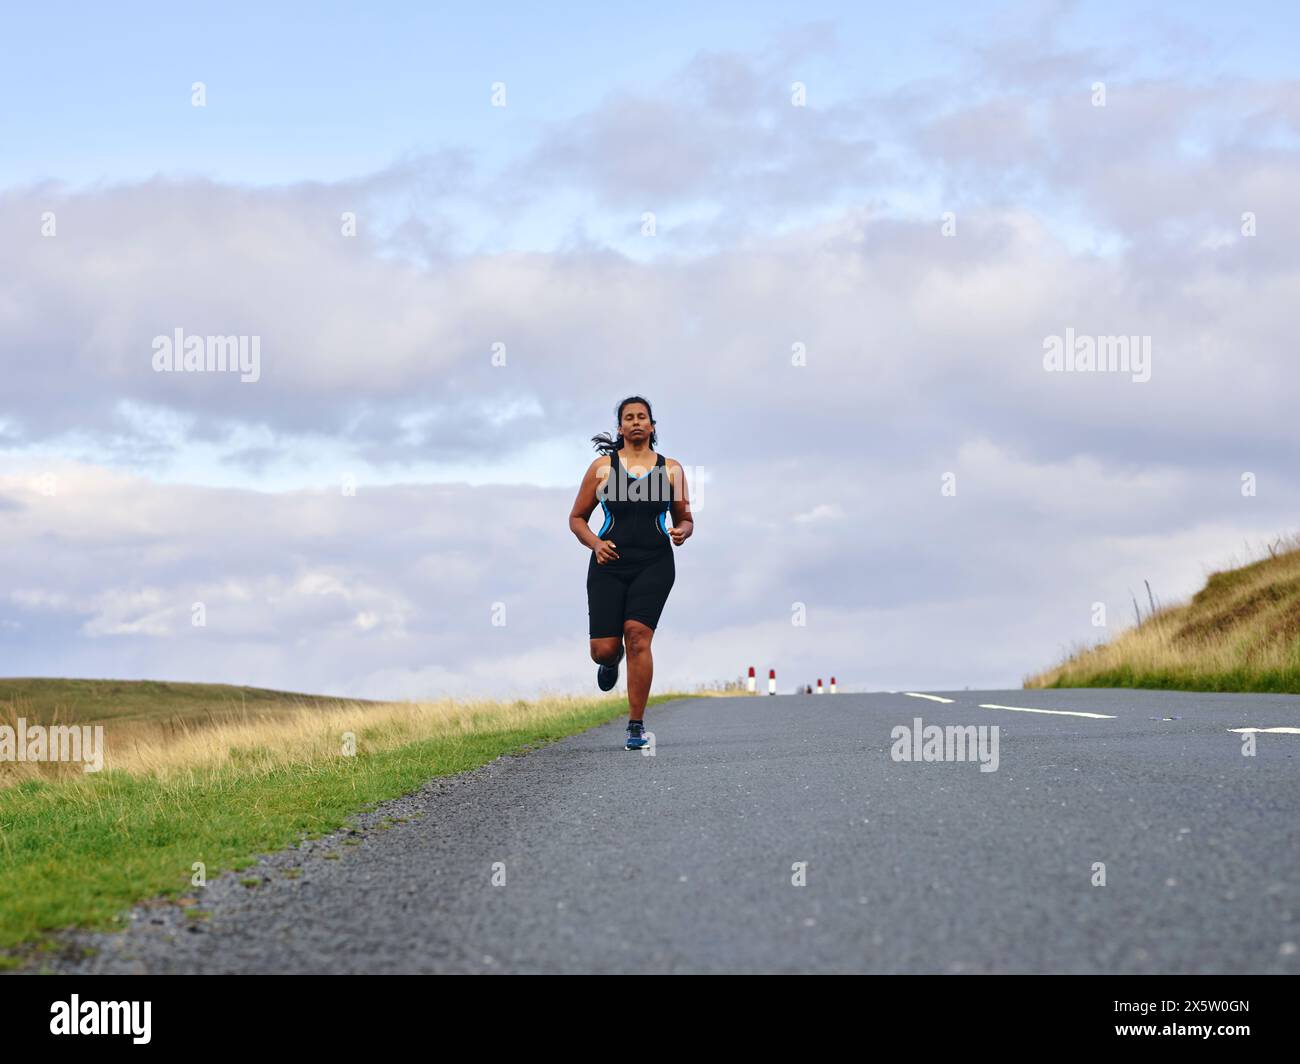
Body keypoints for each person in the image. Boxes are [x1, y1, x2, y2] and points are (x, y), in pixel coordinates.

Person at [568, 396, 693, 749]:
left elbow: (685, 518)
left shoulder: (672, 470)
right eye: (629, 417)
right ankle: (611, 662)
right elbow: (576, 518)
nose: (636, 422)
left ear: (652, 426)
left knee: (637, 636)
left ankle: (635, 725)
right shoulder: (601, 469)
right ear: (620, 427)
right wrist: (595, 543)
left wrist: (683, 531)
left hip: (654, 563)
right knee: (604, 649)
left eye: (642, 417)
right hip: (608, 563)